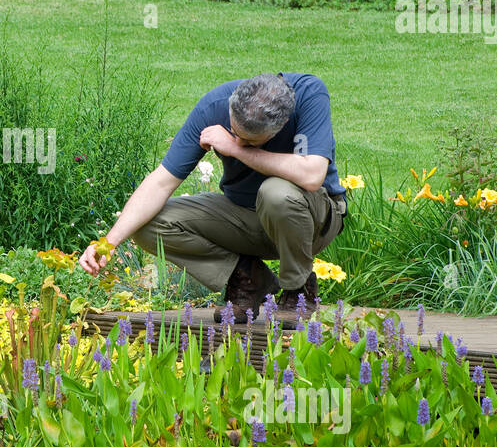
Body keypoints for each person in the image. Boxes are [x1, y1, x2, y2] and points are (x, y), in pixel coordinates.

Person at [78, 72, 348, 320]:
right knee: (147, 226)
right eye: (234, 133)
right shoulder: (214, 106)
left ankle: (298, 291)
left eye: (251, 141)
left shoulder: (309, 93)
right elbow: (161, 182)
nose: (239, 141)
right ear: (232, 106)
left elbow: (312, 175)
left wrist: (235, 149)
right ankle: (247, 280)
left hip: (312, 222)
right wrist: (109, 243)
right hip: (246, 217)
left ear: (282, 125)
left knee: (276, 193)